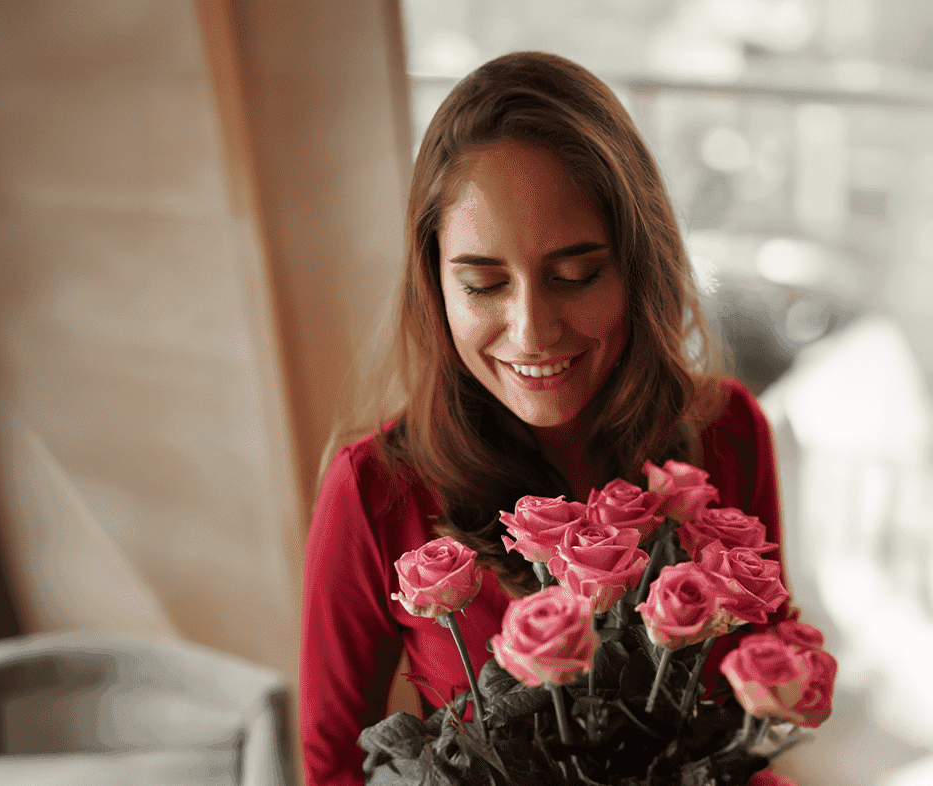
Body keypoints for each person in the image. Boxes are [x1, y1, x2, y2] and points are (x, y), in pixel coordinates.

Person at [300, 51, 791, 786]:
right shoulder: (373, 492)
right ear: (435, 284)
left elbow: (757, 695)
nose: (531, 332)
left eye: (574, 275)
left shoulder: (729, 435)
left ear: (637, 264)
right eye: (483, 283)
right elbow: (331, 768)